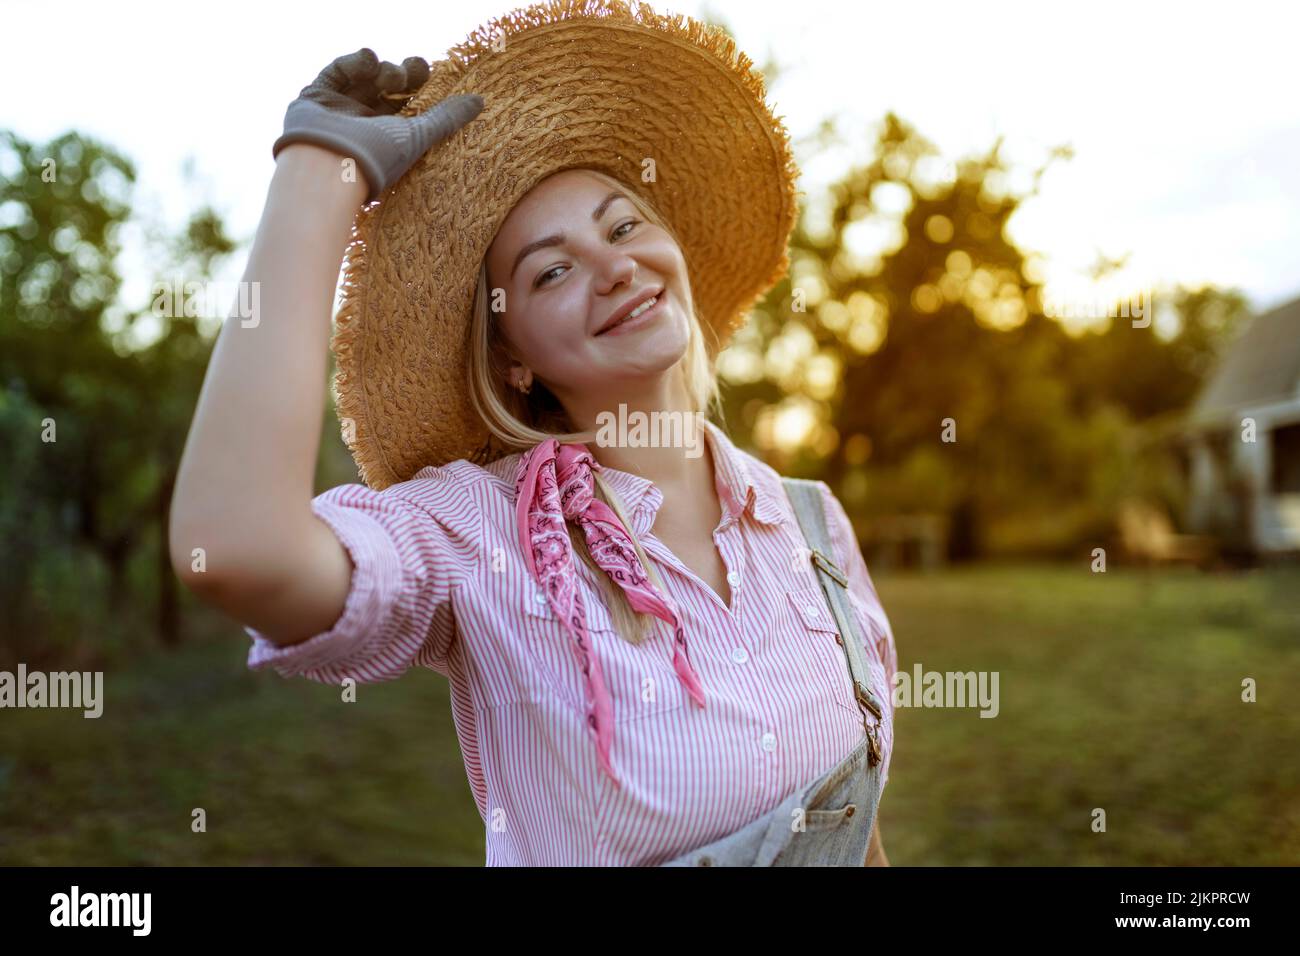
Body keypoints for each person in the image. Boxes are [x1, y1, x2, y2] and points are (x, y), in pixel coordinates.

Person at [169, 0, 897, 867]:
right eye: (552, 270)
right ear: (511, 355)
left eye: (625, 225)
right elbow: (237, 551)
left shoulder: (813, 527)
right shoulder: (476, 531)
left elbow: (861, 832)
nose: (614, 266)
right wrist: (318, 171)